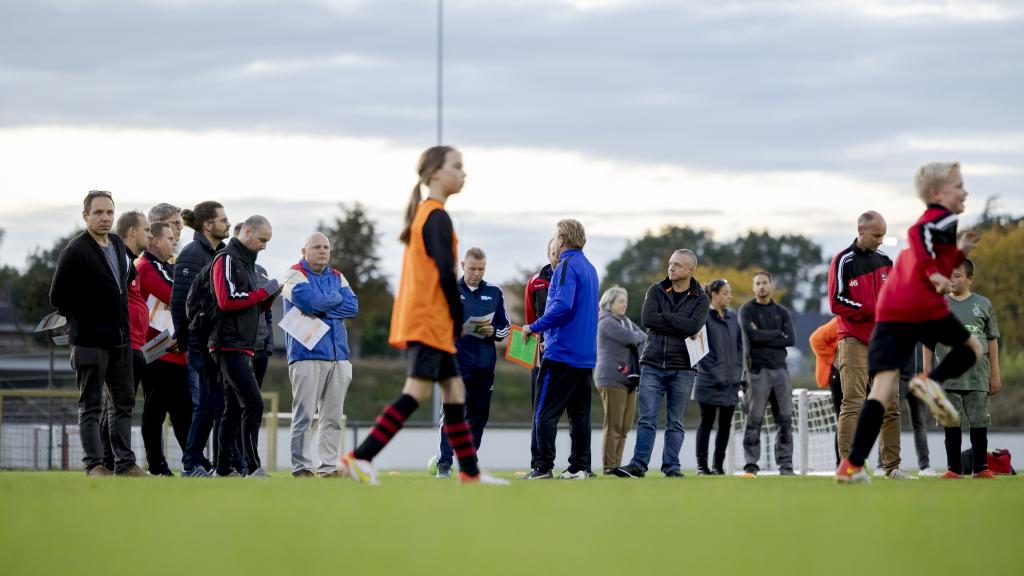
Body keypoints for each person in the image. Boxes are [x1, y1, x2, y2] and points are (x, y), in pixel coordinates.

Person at [340, 145, 506, 485]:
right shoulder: (436, 216)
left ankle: (470, 473)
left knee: (455, 392)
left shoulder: (428, 213)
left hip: (430, 323)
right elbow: (445, 274)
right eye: (456, 166)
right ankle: (360, 457)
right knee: (416, 393)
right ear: (435, 173)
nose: (463, 172)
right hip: (429, 323)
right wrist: (456, 319)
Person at [837, 162, 982, 484]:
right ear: (937, 193)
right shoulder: (942, 217)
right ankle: (930, 382)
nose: (964, 192)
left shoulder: (943, 226)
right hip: (918, 304)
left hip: (893, 309)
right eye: (958, 186)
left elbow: (931, 254)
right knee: (972, 348)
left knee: (881, 390)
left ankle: (851, 466)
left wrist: (959, 252)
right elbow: (918, 236)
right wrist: (932, 273)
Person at [49, 190, 144, 477]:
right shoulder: (75, 250)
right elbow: (58, 297)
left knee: (123, 403)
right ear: (85, 215)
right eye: (98, 212)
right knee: (91, 405)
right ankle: (94, 465)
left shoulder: (116, 243)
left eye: (109, 212)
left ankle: (124, 464)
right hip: (89, 341)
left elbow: (124, 280)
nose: (105, 218)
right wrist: (86, 317)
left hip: (121, 341)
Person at [829, 211, 910, 478]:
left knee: (891, 405)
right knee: (853, 402)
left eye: (883, 235)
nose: (880, 240)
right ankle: (850, 467)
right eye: (876, 235)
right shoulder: (843, 260)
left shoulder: (886, 261)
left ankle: (892, 467)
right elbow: (836, 302)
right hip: (853, 339)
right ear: (861, 230)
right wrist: (873, 309)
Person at [614, 249, 709, 479]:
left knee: (675, 422)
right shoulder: (655, 290)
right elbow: (648, 319)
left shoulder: (701, 298)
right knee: (646, 419)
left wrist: (664, 317)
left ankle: (671, 467)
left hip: (684, 367)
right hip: (652, 364)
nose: (671, 268)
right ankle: (638, 465)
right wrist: (679, 323)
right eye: (670, 263)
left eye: (677, 265)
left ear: (690, 270)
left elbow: (693, 327)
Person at [522, 219, 600, 480]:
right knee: (579, 415)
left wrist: (534, 327)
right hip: (585, 356)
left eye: (555, 236)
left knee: (544, 412)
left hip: (562, 354)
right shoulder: (590, 268)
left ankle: (542, 467)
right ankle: (579, 467)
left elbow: (563, 306)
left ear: (563, 239)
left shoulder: (566, 265)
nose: (554, 240)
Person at [429, 247, 511, 478]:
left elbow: (505, 327)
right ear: (463, 265)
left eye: (481, 269)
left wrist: (493, 331)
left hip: (485, 367)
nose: (477, 273)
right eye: (473, 268)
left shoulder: (495, 292)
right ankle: (444, 465)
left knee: (479, 417)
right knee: (452, 414)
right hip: (456, 364)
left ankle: (469, 465)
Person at [282, 232, 359, 478]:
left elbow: (353, 306)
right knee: (304, 415)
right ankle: (302, 467)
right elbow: (309, 303)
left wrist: (323, 307)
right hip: (306, 354)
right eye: (316, 247)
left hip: (339, 356)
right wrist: (334, 300)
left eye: (326, 247)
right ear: (304, 251)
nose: (323, 251)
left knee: (333, 418)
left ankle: (328, 468)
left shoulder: (337, 275)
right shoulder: (293, 274)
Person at [209, 215, 280, 478]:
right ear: (247, 232)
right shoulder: (227, 258)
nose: (264, 246)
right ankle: (252, 467)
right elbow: (226, 300)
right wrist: (262, 294)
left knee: (233, 408)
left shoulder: (248, 263)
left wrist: (268, 299)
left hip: (242, 345)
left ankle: (223, 469)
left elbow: (249, 305)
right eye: (262, 240)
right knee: (254, 403)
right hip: (228, 344)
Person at [925, 259, 1001, 479]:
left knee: (979, 425)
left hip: (978, 377)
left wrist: (995, 374)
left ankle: (981, 468)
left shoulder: (984, 304)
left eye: (957, 276)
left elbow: (992, 340)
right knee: (951, 423)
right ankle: (954, 470)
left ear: (970, 279)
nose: (951, 279)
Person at [171, 200, 230, 477]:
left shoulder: (222, 255)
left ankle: (207, 462)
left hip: (218, 343)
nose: (228, 224)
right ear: (208, 224)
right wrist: (188, 342)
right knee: (213, 404)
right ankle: (198, 463)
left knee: (212, 405)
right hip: (201, 345)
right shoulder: (192, 254)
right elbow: (179, 302)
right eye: (223, 220)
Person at [135, 220, 192, 476]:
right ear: (155, 241)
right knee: (155, 410)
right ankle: (157, 465)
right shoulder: (145, 267)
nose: (174, 242)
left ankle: (192, 461)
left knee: (182, 409)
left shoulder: (167, 266)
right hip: (156, 350)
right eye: (169, 238)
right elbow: (173, 296)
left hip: (175, 350)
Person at [96, 210, 150, 472]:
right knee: (118, 404)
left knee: (117, 405)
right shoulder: (122, 260)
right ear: (132, 232)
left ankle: (110, 463)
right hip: (123, 342)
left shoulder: (128, 261)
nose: (149, 235)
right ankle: (118, 463)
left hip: (132, 342)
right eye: (147, 230)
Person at [739, 271, 795, 477]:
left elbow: (790, 339)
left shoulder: (782, 312)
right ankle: (751, 465)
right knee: (754, 420)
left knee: (785, 420)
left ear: (772, 285)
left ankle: (786, 465)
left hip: (780, 371)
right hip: (756, 372)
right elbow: (752, 336)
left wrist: (762, 335)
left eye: (765, 282)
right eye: (758, 283)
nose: (761, 286)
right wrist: (777, 334)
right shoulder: (746, 310)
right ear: (753, 287)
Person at [594, 286, 645, 475]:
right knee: (613, 424)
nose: (624, 305)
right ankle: (609, 465)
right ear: (609, 303)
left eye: (626, 301)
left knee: (625, 426)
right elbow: (634, 337)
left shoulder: (625, 321)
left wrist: (641, 337)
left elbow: (643, 337)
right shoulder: (606, 322)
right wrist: (641, 337)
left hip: (629, 379)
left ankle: (617, 464)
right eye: (620, 301)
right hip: (611, 379)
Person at [695, 279, 742, 476]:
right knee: (706, 423)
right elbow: (700, 351)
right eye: (725, 293)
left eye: (730, 293)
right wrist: (715, 372)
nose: (729, 297)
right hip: (709, 382)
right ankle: (702, 466)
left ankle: (718, 466)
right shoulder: (703, 317)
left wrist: (737, 372)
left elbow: (739, 348)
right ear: (713, 295)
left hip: (730, 383)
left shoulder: (733, 318)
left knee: (725, 425)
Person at [525, 237, 560, 409]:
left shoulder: (573, 279)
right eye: (554, 253)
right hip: (541, 347)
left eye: (560, 254)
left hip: (565, 343)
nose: (557, 257)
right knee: (539, 399)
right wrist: (537, 337)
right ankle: (537, 426)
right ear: (548, 255)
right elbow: (530, 316)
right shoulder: (535, 282)